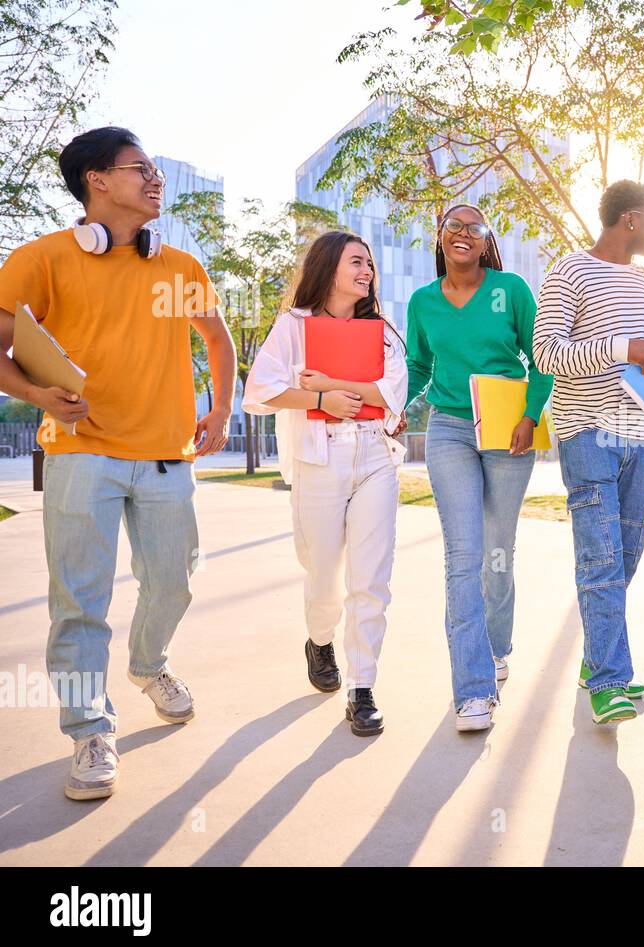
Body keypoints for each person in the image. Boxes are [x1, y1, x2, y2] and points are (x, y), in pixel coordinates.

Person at [0, 126, 235, 799]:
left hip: (166, 456)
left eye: (156, 170)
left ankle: (148, 663)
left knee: (174, 582)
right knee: (80, 605)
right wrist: (33, 392)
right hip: (81, 454)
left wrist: (218, 412)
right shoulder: (40, 260)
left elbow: (217, 340)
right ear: (96, 180)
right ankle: (89, 732)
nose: (155, 180)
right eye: (141, 169)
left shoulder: (181, 268)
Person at [532, 180, 644, 725]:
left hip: (640, 435)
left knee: (625, 555)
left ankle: (599, 659)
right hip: (586, 431)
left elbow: (640, 361)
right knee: (600, 557)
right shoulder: (568, 271)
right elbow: (547, 354)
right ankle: (608, 681)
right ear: (630, 220)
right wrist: (626, 348)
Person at [242, 231, 407, 735]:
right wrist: (318, 402)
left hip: (375, 454)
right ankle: (319, 639)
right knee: (324, 577)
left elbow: (390, 391)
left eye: (371, 264)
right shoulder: (294, 325)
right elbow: (261, 390)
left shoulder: (380, 330)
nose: (367, 272)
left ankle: (362, 688)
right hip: (320, 457)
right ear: (328, 265)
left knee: (371, 579)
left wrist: (331, 385)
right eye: (357, 261)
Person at [405, 203, 553, 732]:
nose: (463, 233)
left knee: (496, 549)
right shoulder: (423, 302)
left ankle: (497, 645)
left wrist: (530, 416)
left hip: (507, 428)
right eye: (453, 225)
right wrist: (402, 406)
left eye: (475, 227)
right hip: (448, 430)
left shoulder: (510, 289)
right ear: (440, 237)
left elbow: (541, 358)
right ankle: (472, 690)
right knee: (463, 554)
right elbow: (419, 365)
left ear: (487, 240)